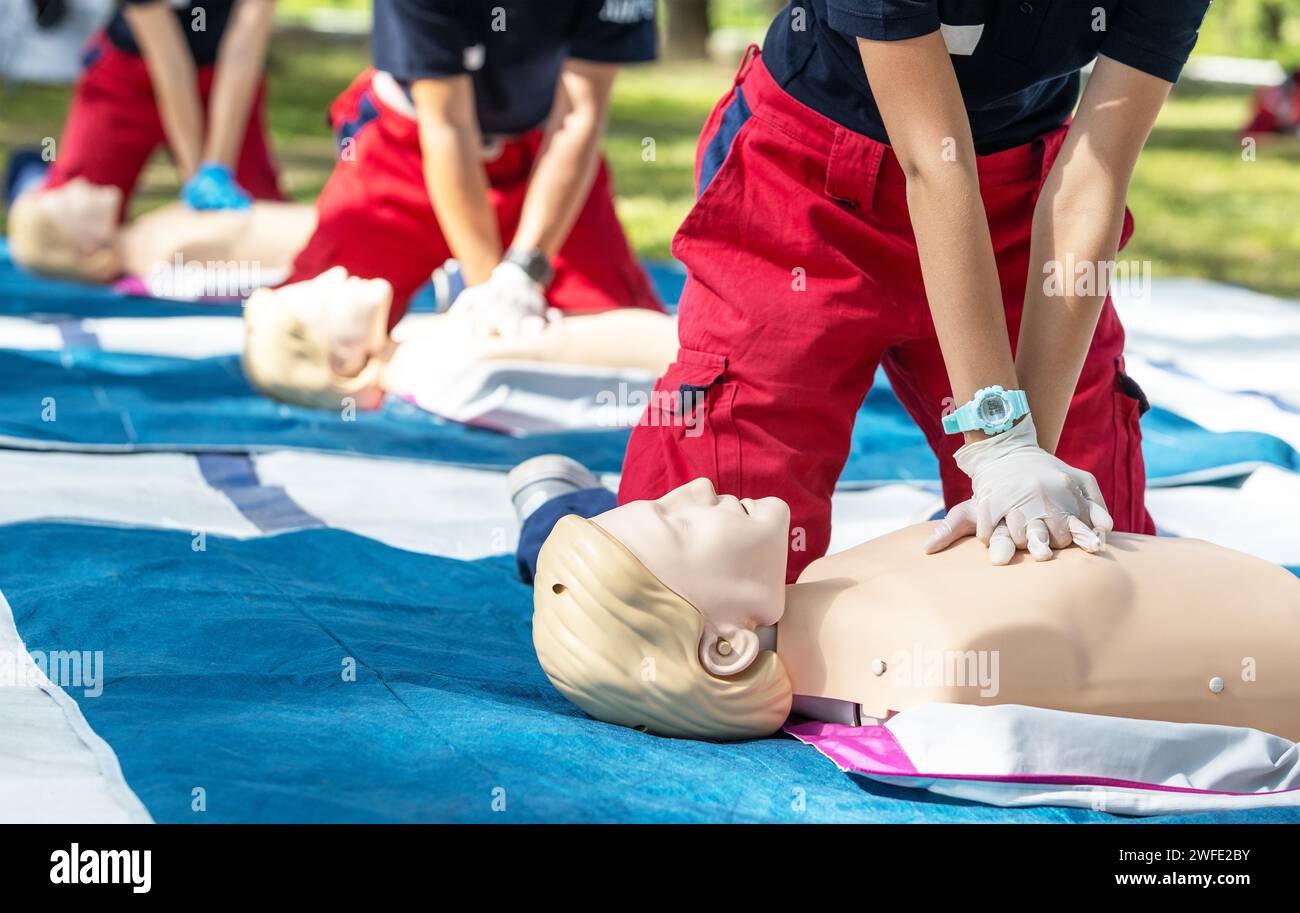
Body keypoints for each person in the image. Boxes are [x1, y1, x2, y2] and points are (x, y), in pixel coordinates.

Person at [618, 1, 1212, 579]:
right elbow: (934, 159)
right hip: (809, 182)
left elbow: (1094, 177)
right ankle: (550, 502)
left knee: (1081, 564)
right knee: (696, 572)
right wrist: (1000, 440)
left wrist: (1027, 467)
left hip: (1019, 195)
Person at [517, 461, 1300, 742]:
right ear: (725, 645)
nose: (692, 488)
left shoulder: (833, 581)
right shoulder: (940, 662)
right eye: (674, 520)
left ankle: (554, 513)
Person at [283, 0, 663, 338]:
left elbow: (579, 114)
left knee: (628, 337)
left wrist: (520, 275)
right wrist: (487, 292)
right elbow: (447, 123)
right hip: (406, 151)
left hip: (542, 155)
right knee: (304, 332)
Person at [39, 0, 284, 217]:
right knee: (64, 213)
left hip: (223, 85)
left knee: (261, 213)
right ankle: (28, 175)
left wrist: (216, 171)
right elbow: (170, 65)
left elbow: (246, 47)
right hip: (126, 80)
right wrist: (195, 179)